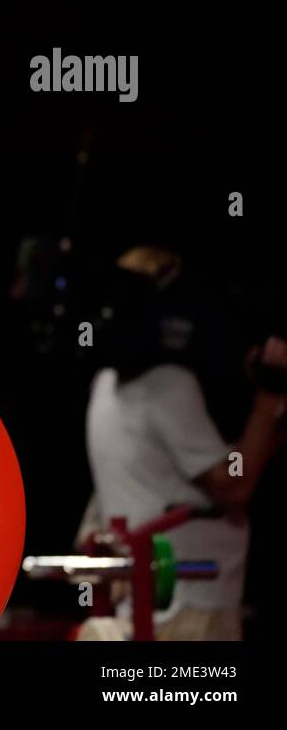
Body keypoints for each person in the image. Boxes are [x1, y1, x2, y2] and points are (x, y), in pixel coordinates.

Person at [79, 246, 287, 640]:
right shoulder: (169, 387)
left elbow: (242, 461)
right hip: (188, 609)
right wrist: (267, 397)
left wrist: (269, 414)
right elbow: (236, 483)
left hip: (152, 601)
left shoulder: (103, 387)